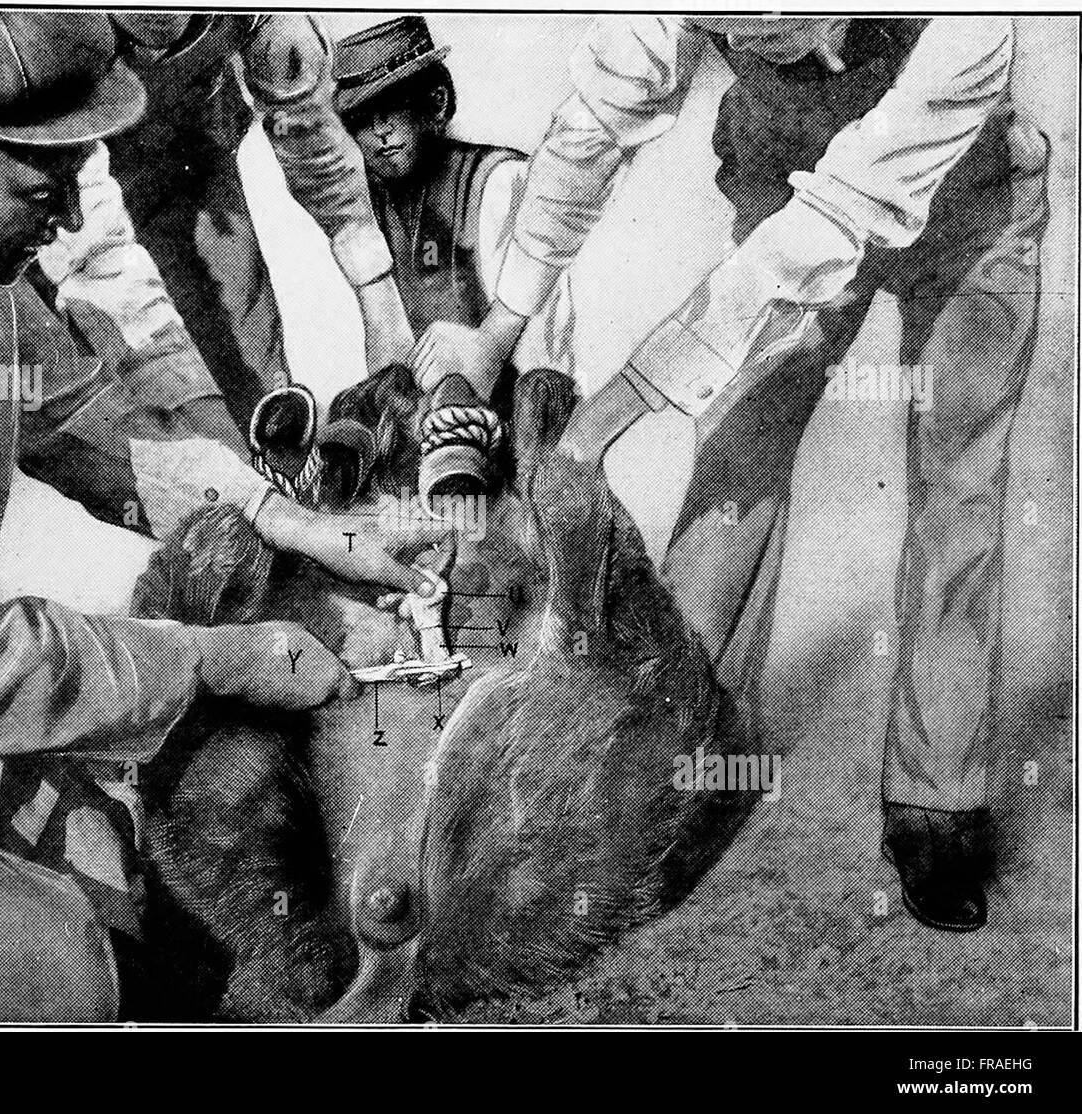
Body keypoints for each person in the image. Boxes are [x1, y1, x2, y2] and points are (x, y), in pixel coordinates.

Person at [0, 9, 447, 953]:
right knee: (58, 966)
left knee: (119, 865)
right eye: (39, 186)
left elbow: (89, 421)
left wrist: (286, 519)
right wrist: (220, 658)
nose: (66, 219)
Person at [413, 16, 1050, 931]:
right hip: (784, 174)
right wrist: (496, 334)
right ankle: (669, 766)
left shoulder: (969, 29)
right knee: (738, 453)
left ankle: (935, 805)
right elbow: (596, 120)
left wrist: (618, 406)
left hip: (968, 206)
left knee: (960, 490)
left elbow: (831, 225)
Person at [40, 11, 419, 443]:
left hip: (198, 162)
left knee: (267, 403)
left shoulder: (265, 23)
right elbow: (95, 257)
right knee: (177, 409)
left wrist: (378, 297)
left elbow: (308, 128)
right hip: (80, 179)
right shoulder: (45, 38)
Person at [333, 16, 574, 381]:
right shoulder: (372, 209)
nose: (381, 130)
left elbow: (544, 364)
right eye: (363, 118)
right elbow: (390, 376)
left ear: (436, 103)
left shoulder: (498, 181)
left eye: (393, 105)